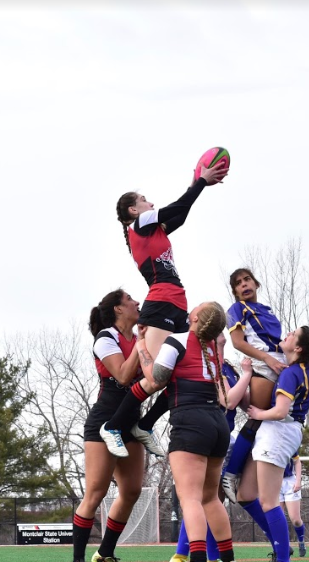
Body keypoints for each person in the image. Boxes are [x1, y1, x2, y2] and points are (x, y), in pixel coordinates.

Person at [99, 161, 229, 459]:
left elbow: (181, 213)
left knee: (178, 371)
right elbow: (177, 206)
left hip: (177, 301)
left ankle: (144, 425)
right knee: (157, 376)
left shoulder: (153, 229)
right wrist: (201, 181)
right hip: (161, 303)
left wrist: (198, 183)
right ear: (133, 210)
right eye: (145, 200)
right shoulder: (138, 224)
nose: (151, 203)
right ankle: (113, 426)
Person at [135, 301, 241, 562]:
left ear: (195, 318)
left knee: (190, 497)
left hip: (191, 423)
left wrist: (141, 346)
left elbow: (156, 379)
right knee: (210, 497)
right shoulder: (212, 350)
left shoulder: (178, 340)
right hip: (218, 424)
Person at [69, 290, 146, 562]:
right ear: (118, 309)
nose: (137, 302)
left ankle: (105, 554)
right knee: (96, 492)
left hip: (131, 424)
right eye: (130, 299)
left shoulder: (138, 338)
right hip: (104, 423)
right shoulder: (105, 338)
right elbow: (124, 376)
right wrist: (142, 344)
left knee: (132, 491)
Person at [238, 326, 309, 562]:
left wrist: (258, 413)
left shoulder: (291, 373)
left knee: (268, 501)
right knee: (245, 494)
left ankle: (283, 561)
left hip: (279, 432)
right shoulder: (301, 370)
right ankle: (282, 549)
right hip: (283, 432)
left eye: (292, 335)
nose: (287, 335)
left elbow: (281, 411)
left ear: (298, 348)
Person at [167, 333, 252, 562]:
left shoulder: (207, 364)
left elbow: (229, 400)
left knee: (191, 498)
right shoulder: (218, 366)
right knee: (210, 497)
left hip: (196, 426)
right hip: (220, 429)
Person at [219, 268, 287, 503]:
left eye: (247, 279)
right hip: (263, 365)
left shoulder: (267, 310)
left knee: (272, 421)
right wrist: (267, 359)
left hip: (279, 363)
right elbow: (238, 343)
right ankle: (230, 473)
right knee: (256, 420)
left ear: (256, 283)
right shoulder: (236, 309)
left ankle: (249, 474)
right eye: (238, 283)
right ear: (235, 291)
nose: (244, 285)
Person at [280, 454, 308, 557]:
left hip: (290, 482)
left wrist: (298, 481)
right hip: (274, 482)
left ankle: (301, 541)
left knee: (295, 520)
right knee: (278, 519)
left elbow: (297, 461)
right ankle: (284, 546)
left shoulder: (289, 445)